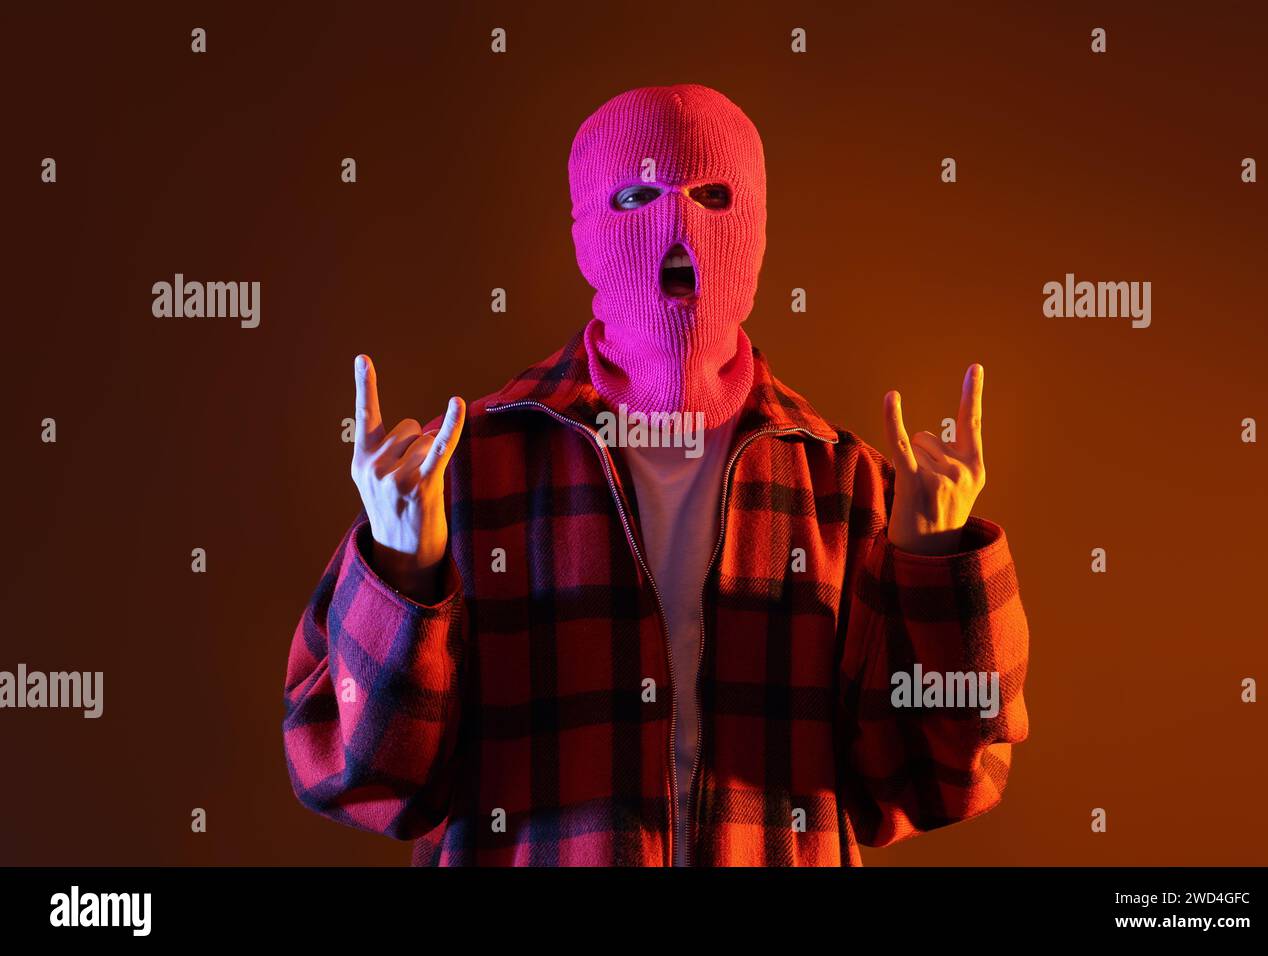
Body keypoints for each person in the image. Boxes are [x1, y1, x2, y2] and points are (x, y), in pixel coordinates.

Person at [282, 83, 1030, 866]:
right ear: (584, 234)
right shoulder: (459, 472)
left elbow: (933, 784)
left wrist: (939, 570)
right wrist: (404, 572)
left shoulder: (845, 486)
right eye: (639, 195)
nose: (677, 225)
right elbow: (363, 780)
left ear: (758, 228)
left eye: (711, 194)